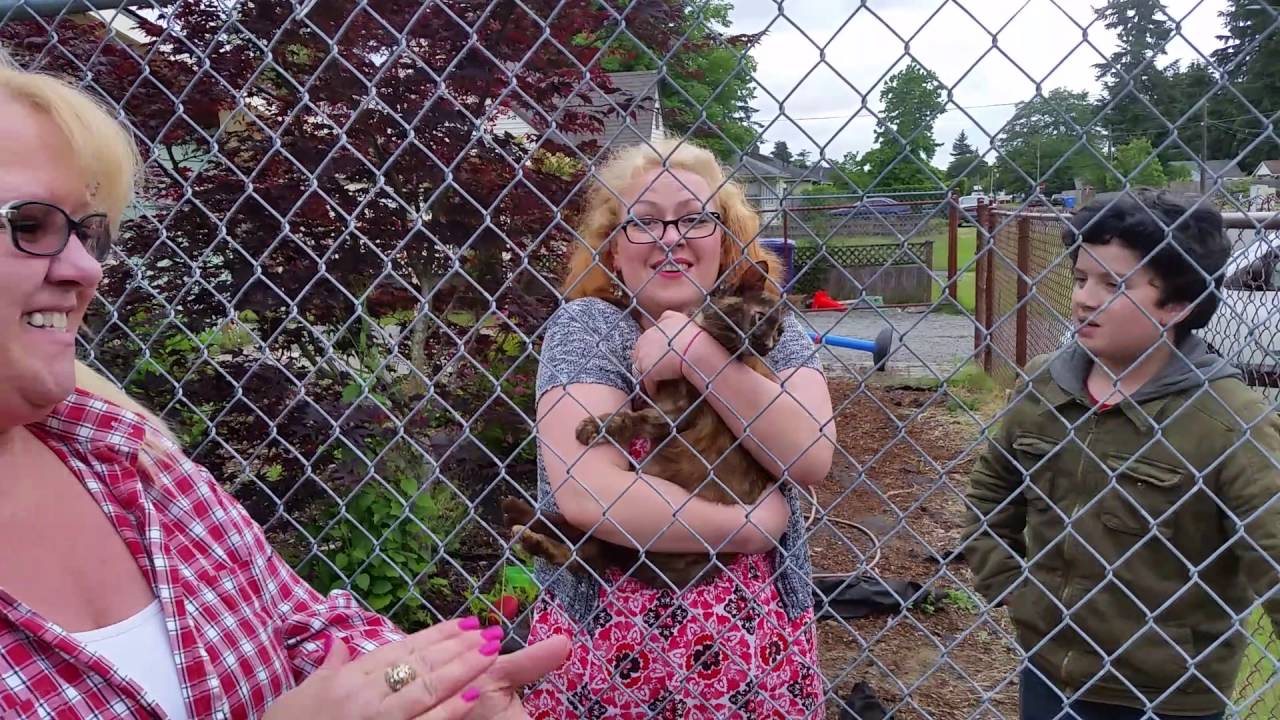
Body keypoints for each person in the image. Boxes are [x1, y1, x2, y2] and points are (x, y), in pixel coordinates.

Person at [0, 54, 567, 718]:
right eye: (28, 225)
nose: (84, 269)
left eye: (87, 232)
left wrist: (438, 690)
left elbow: (305, 629)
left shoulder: (136, 465)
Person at [521, 138, 836, 718]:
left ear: (726, 239)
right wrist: (747, 526)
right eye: (645, 223)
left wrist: (697, 354)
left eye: (694, 219)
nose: (671, 238)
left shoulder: (773, 326)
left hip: (762, 660)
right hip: (606, 663)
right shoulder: (590, 327)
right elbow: (590, 494)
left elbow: (811, 455)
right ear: (614, 250)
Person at [963, 191, 1280, 720]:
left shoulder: (1229, 421)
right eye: (1082, 277)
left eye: (1115, 285)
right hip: (1048, 672)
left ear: (1178, 303)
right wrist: (1013, 589)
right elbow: (992, 492)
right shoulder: (1046, 384)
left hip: (1167, 695)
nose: (1085, 299)